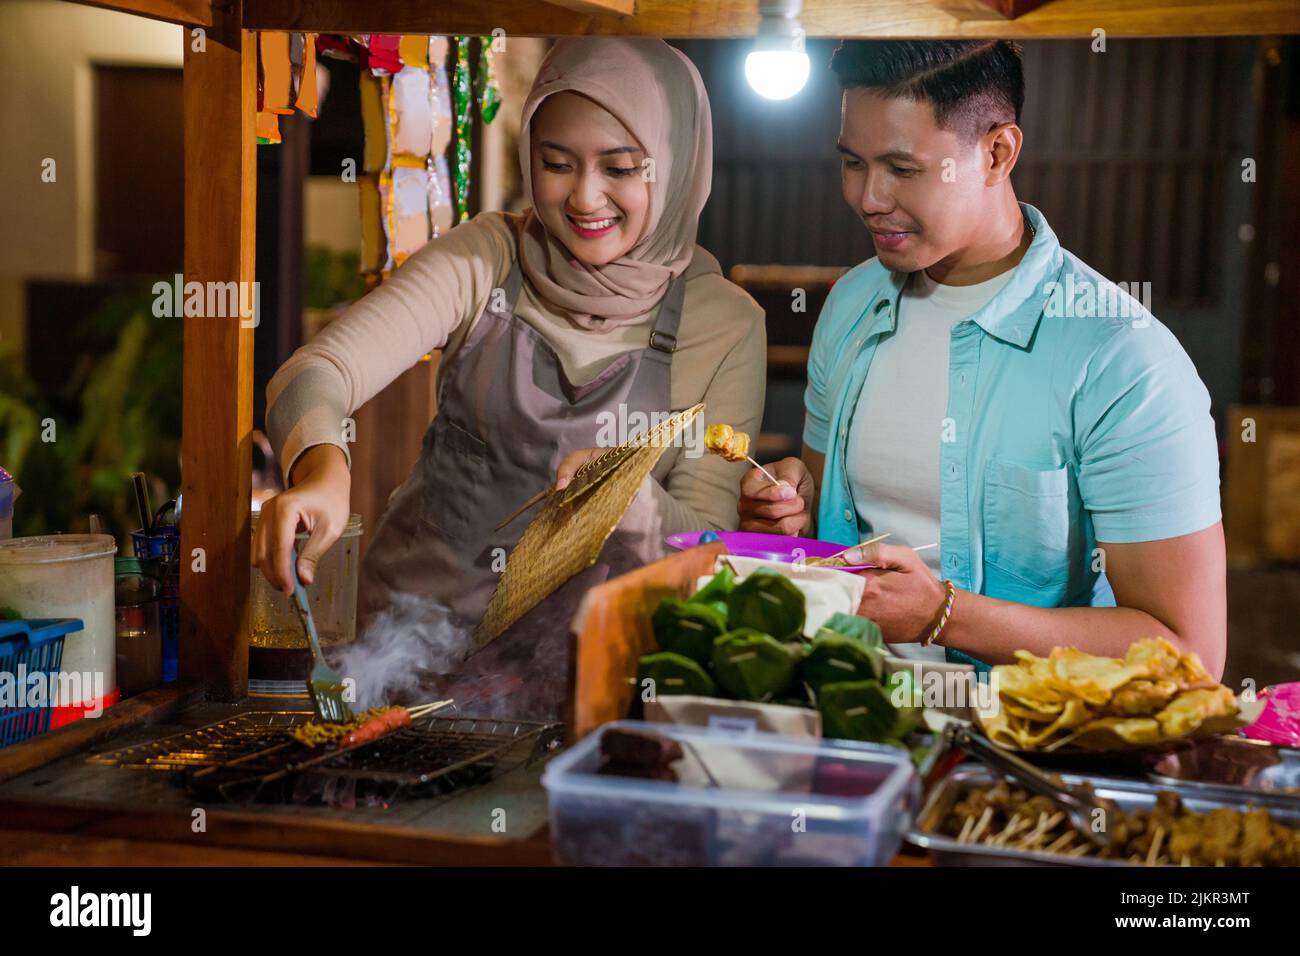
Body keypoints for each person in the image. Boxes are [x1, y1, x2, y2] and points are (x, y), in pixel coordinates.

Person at [255, 38, 765, 676]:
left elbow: (710, 550)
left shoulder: (724, 325)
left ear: (676, 162)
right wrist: (323, 471)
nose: (583, 197)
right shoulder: (487, 258)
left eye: (620, 167)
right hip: (404, 666)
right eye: (557, 163)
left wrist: (625, 502)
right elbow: (311, 376)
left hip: (587, 687)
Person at [738, 40, 1226, 677]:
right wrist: (789, 514)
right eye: (853, 162)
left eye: (902, 168)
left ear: (997, 152)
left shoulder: (1120, 359)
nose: (869, 198)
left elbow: (1187, 653)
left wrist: (943, 614)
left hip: (1025, 751)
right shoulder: (851, 306)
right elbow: (824, 537)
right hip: (850, 712)